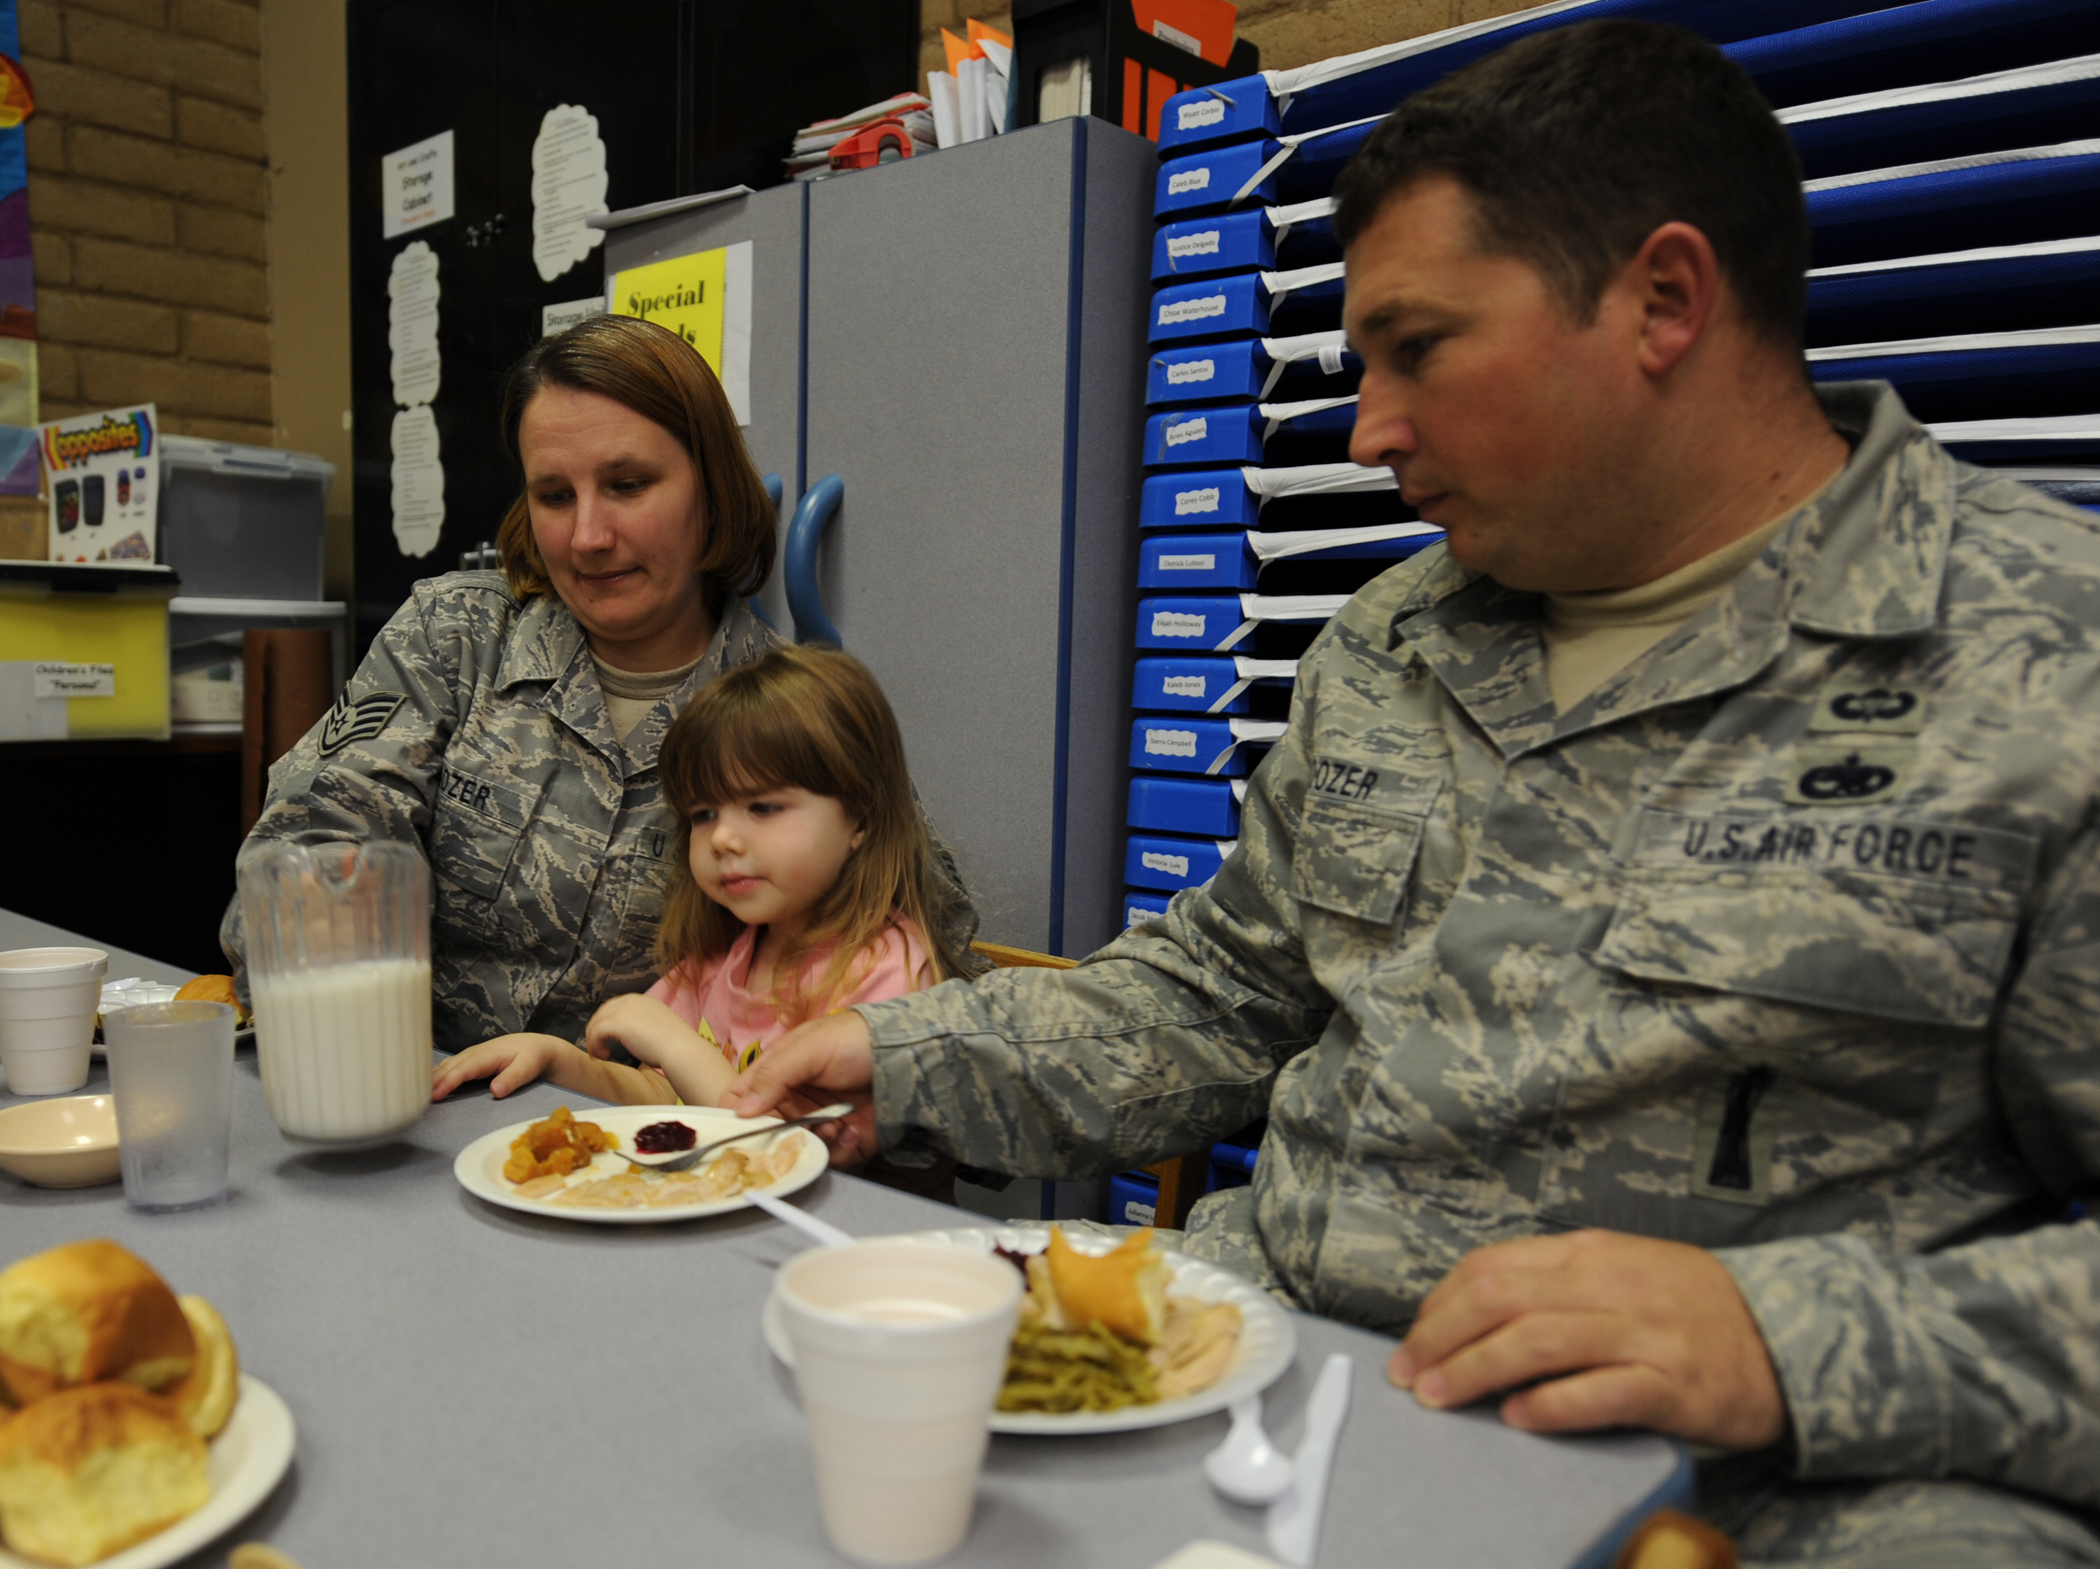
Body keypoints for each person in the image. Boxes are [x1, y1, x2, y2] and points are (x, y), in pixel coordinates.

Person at [726, 21, 2100, 1569]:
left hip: (1741, 1486)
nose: (1369, 431)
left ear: (1663, 299)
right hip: (1270, 1377)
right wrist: (899, 1048)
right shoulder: (1397, 635)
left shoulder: (2042, 662)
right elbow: (1220, 995)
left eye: (1418, 348)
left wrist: (1785, 1334)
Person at [222, 315, 977, 1053]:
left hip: (658, 1149)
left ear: (711, 488)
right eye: (554, 495)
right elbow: (304, 854)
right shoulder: (452, 636)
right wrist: (367, 1058)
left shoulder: (790, 709)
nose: (587, 536)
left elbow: (935, 992)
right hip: (415, 1103)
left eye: (627, 483)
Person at [430, 643, 972, 1108]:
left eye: (762, 807)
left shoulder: (891, 973)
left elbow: (798, 1148)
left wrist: (676, 1044)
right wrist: (556, 1060)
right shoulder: (723, 960)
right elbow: (664, 1094)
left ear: (859, 817)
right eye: (704, 814)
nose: (722, 840)